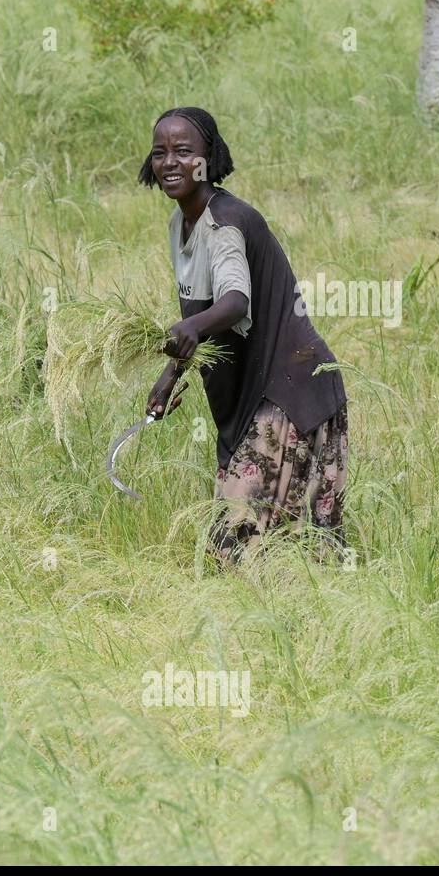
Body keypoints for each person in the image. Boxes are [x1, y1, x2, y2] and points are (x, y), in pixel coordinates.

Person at [140, 107, 349, 564]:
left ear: (207, 158)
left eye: (183, 151)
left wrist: (190, 327)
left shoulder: (225, 223)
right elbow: (206, 315)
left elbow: (234, 302)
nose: (170, 162)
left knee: (245, 545)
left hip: (287, 393)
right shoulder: (181, 225)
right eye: (160, 153)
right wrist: (171, 373)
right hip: (256, 396)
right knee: (263, 550)